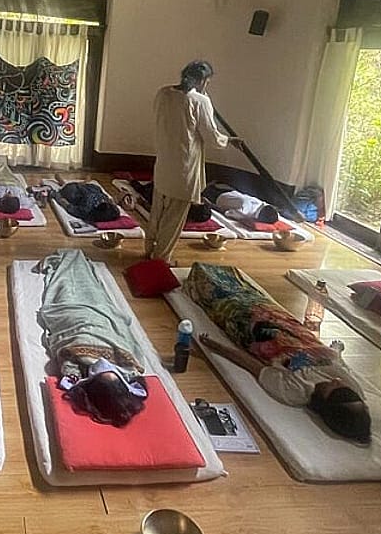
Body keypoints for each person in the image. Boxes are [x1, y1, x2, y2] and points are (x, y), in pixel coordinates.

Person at [185, 263, 371, 443]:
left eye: (334, 387)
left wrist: (216, 346)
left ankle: (205, 277)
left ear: (324, 401)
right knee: (259, 300)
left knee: (232, 303)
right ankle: (230, 275)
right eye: (342, 385)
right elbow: (338, 362)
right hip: (298, 333)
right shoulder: (352, 389)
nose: (337, 380)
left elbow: (252, 365)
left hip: (263, 334)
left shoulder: (295, 391)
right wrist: (336, 348)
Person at [38, 248, 147, 427]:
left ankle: (69, 265)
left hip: (75, 319)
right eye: (112, 373)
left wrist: (72, 374)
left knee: (67, 289)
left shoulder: (77, 374)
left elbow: (65, 354)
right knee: (96, 293)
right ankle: (78, 264)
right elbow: (128, 342)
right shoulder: (129, 369)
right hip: (105, 321)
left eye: (101, 373)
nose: (105, 366)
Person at [148, 60, 235, 262]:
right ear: (203, 80)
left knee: (157, 212)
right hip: (184, 168)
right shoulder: (200, 101)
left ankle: (148, 248)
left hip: (163, 162)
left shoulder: (163, 93)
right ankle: (160, 260)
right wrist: (229, 140)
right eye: (207, 82)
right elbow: (211, 137)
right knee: (173, 218)